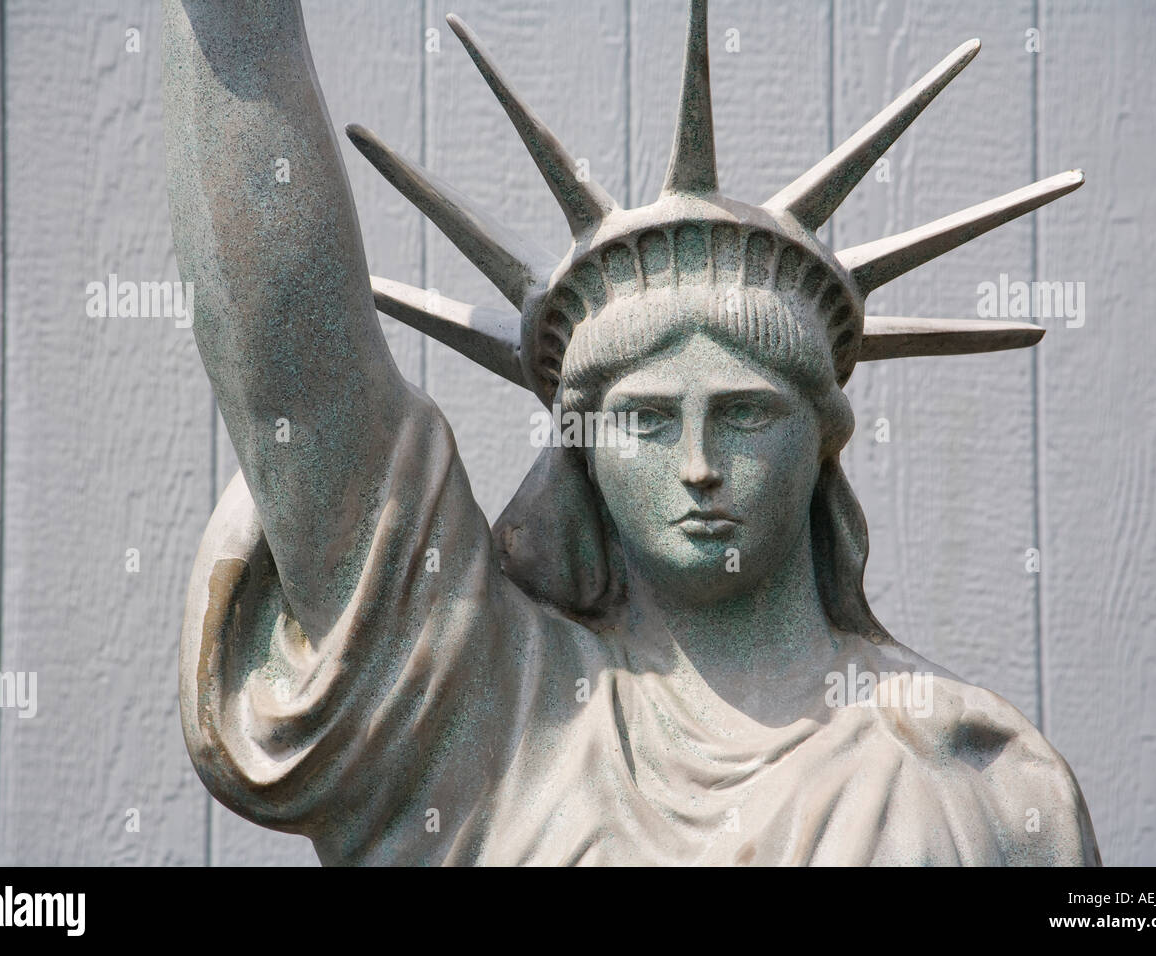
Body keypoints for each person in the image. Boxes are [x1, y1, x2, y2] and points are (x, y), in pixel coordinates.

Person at [165, 0, 1100, 865]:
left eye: (745, 413)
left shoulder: (971, 775)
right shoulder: (493, 718)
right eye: (646, 422)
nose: (698, 467)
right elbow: (294, 363)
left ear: (821, 442)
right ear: (582, 452)